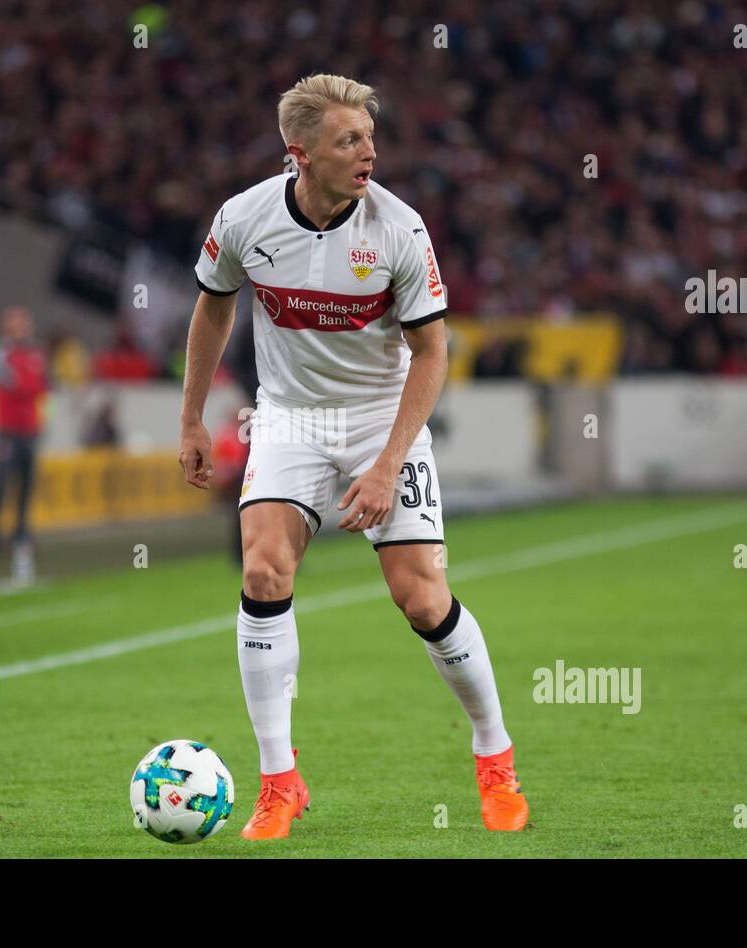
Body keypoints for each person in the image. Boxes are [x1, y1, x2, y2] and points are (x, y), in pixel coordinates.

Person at [179, 75, 526, 840]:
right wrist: (193, 419)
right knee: (263, 568)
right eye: (350, 140)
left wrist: (385, 463)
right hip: (290, 420)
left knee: (422, 600)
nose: (370, 151)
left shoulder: (399, 229)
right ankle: (279, 781)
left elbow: (432, 353)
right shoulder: (244, 218)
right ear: (299, 155)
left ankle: (494, 756)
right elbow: (213, 303)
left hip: (380, 420)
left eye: (371, 136)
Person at [0, 306, 48, 579]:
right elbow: (17, 385)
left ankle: (20, 533)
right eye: (14, 323)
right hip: (6, 428)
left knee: (27, 483)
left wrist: (28, 384)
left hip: (30, 428)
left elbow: (39, 386)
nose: (20, 328)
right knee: (1, 481)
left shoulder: (36, 354)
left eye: (23, 323)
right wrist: (27, 384)